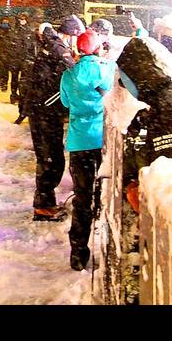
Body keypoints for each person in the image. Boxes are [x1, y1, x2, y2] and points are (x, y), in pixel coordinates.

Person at [60, 29, 115, 271]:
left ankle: (78, 254)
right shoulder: (106, 69)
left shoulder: (68, 74)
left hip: (79, 142)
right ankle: (105, 241)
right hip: (102, 143)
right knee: (104, 194)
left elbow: (64, 102)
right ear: (97, 48)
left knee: (83, 198)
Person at [24, 14, 83, 221]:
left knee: (48, 158)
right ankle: (43, 207)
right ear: (70, 35)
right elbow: (75, 74)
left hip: (42, 110)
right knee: (51, 160)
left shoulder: (53, 45)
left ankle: (44, 203)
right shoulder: (59, 49)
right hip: (45, 112)